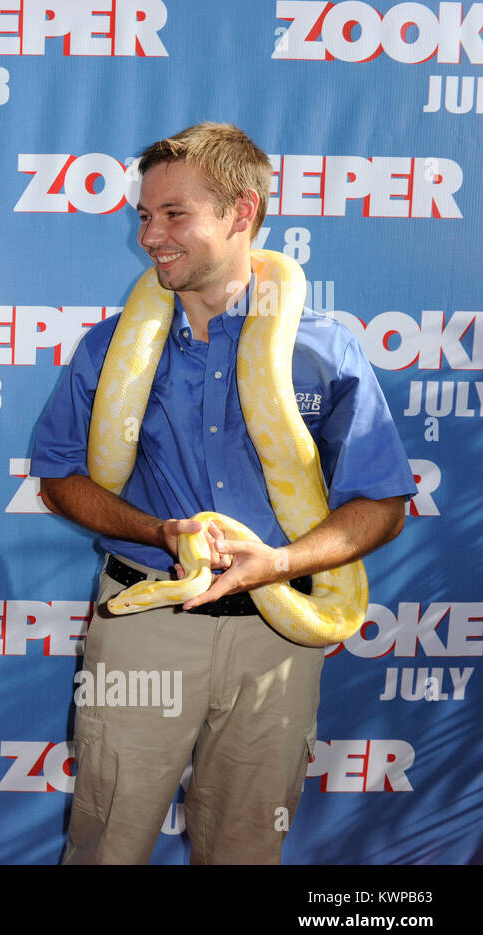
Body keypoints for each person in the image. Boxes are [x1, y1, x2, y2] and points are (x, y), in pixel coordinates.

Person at [31, 122, 416, 864]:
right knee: (107, 842)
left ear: (242, 213)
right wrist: (162, 533)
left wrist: (278, 563)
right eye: (145, 215)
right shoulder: (109, 347)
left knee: (244, 848)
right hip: (148, 617)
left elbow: (382, 502)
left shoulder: (322, 348)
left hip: (277, 634)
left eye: (175, 215)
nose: (151, 235)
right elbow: (60, 480)